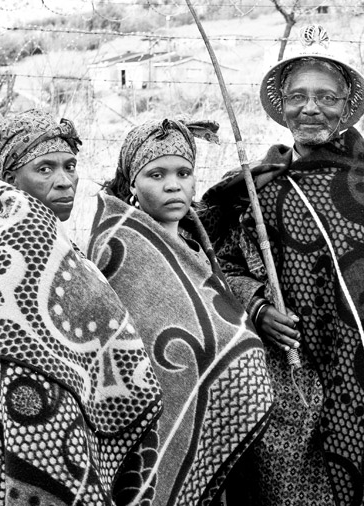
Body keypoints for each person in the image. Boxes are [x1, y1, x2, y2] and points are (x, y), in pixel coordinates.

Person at [200, 25, 364, 506]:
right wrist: (258, 308)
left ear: (345, 106)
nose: (311, 108)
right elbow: (219, 264)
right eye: (297, 97)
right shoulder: (260, 187)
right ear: (281, 106)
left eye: (325, 97)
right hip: (287, 367)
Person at [0, 110, 162, 505]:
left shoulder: (12, 225)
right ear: (12, 180)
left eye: (70, 166)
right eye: (45, 168)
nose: (64, 181)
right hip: (38, 409)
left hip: (29, 406)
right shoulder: (26, 231)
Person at [87, 118, 273, 505]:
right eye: (157, 174)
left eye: (184, 173)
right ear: (132, 184)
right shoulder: (123, 248)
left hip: (219, 429)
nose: (174, 185)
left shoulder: (194, 243)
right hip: (161, 426)